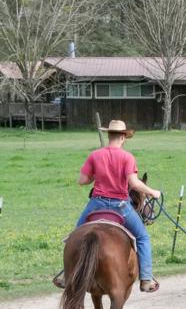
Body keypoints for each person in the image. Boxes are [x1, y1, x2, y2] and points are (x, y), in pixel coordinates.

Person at [53, 120, 161, 292]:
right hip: (121, 206)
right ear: (123, 137)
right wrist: (153, 192)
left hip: (96, 204)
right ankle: (146, 279)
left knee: (74, 236)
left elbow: (82, 181)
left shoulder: (95, 155)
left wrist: (97, 175)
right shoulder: (127, 157)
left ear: (109, 135)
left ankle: (67, 275)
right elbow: (133, 183)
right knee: (142, 238)